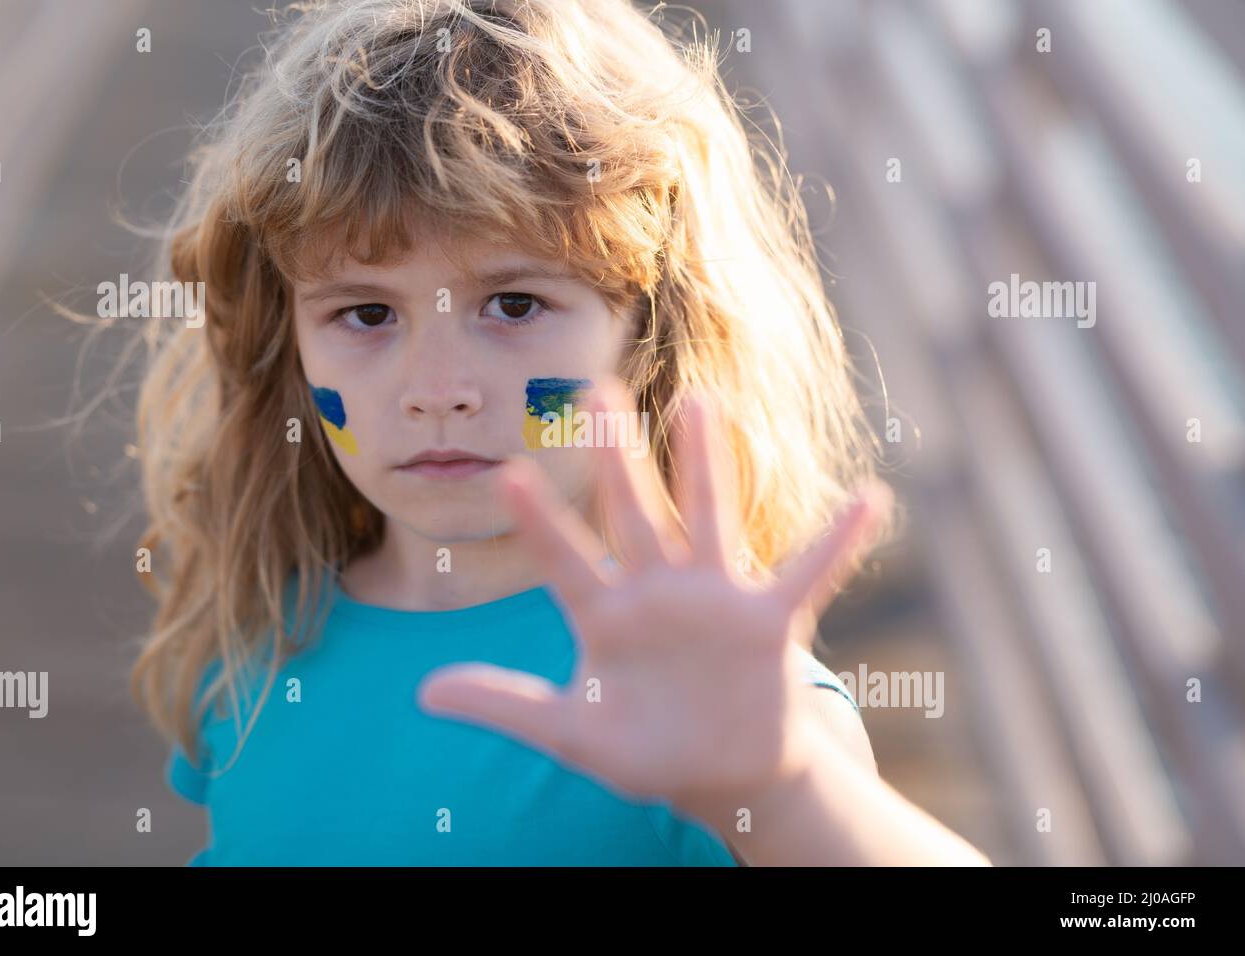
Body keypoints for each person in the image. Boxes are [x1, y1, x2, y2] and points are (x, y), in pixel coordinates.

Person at [130, 0, 990, 866]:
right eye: (364, 312)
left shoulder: (693, 684)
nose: (438, 392)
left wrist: (780, 784)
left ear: (652, 331)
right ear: (291, 346)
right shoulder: (263, 634)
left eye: (513, 305)